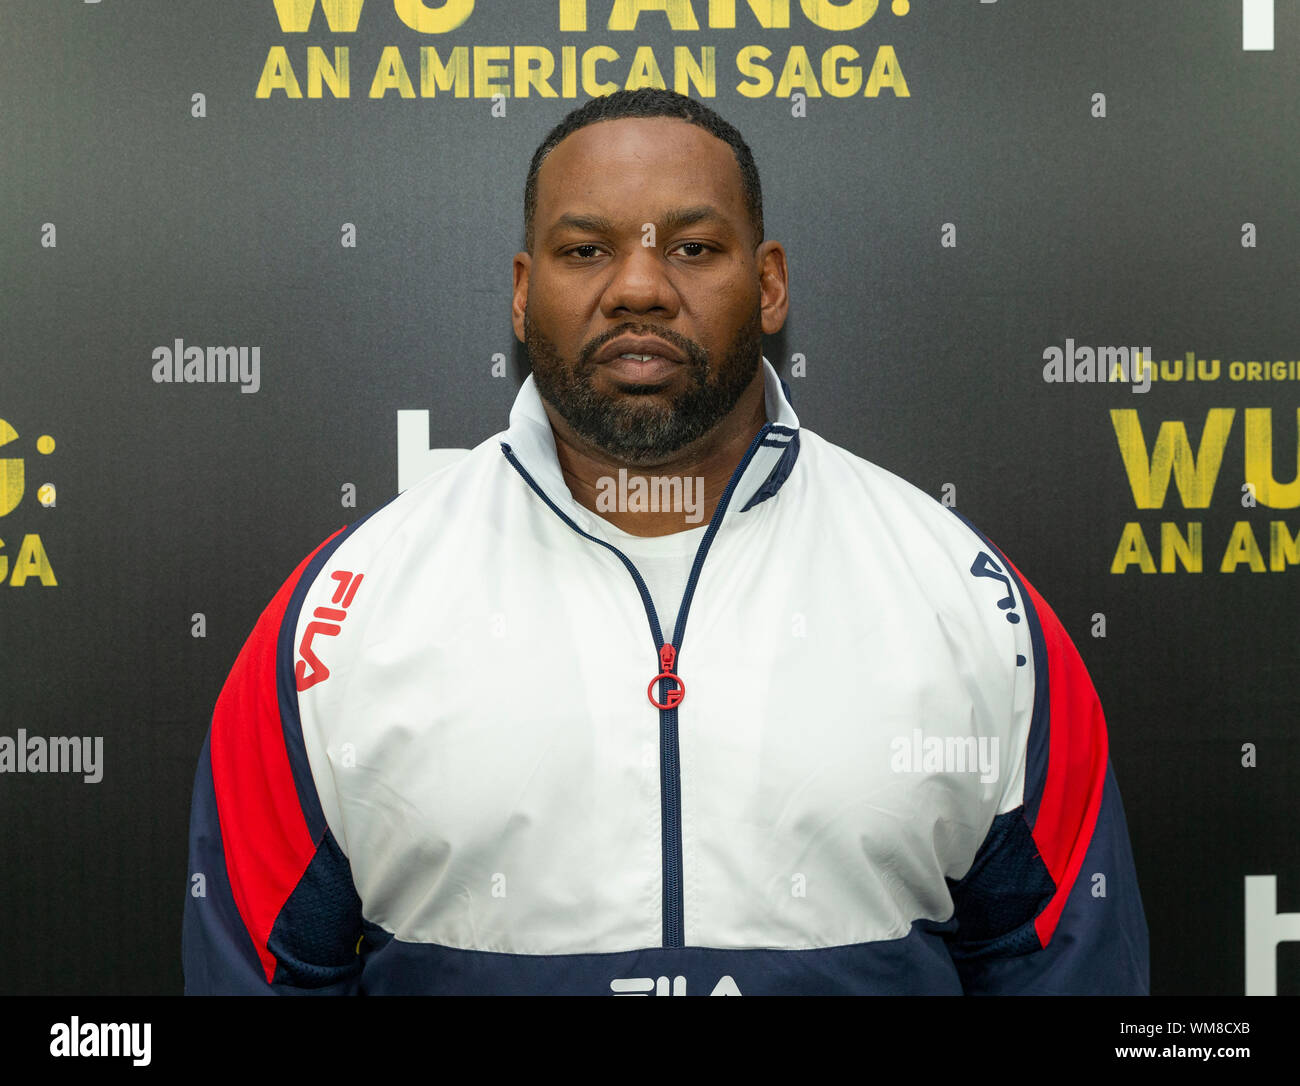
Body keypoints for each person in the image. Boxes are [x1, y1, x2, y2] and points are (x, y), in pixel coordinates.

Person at [182, 88, 1148, 995]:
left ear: (769, 284)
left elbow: (1059, 967)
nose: (638, 286)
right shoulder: (347, 613)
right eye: (585, 250)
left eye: (691, 248)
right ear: (522, 295)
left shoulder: (965, 598)